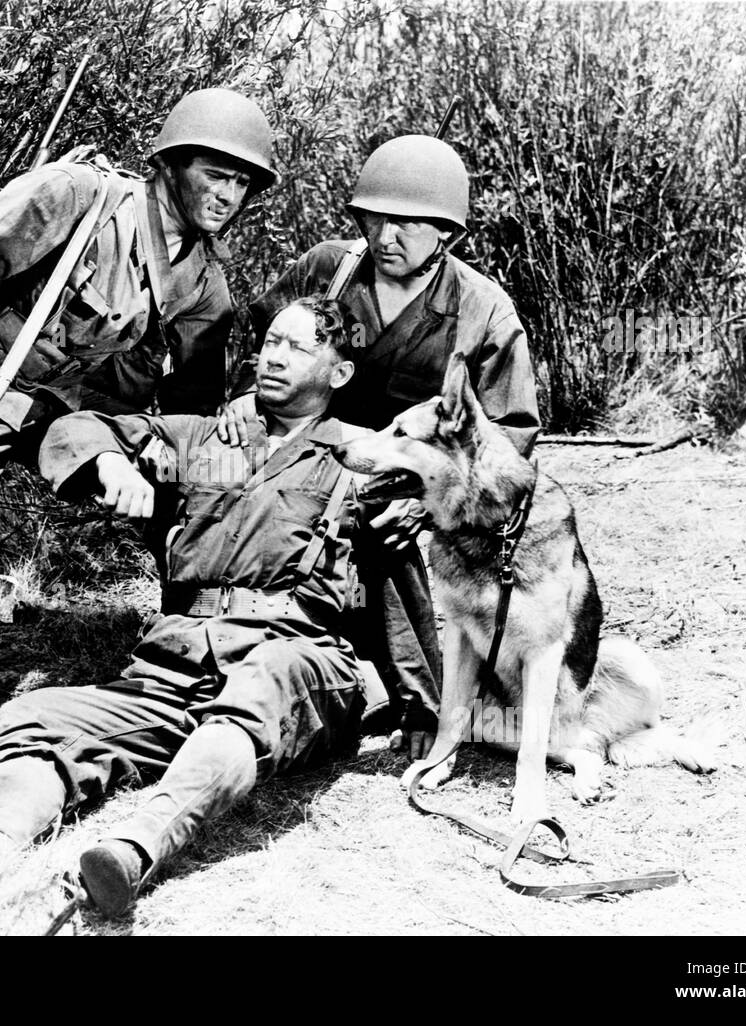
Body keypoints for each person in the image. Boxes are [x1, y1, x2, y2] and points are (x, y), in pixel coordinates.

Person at [0, 89, 278, 811]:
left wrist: (148, 455)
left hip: (57, 408)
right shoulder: (79, 198)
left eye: (241, 182)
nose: (227, 194)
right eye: (214, 172)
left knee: (176, 499)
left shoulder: (203, 283)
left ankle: (183, 678)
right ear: (170, 163)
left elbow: (185, 410)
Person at [0, 297, 381, 917]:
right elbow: (75, 429)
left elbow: (428, 569)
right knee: (37, 715)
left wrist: (425, 709)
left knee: (267, 679)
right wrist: (111, 461)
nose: (273, 355)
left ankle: (135, 850)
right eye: (269, 341)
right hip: (175, 671)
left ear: (339, 373)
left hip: (295, 661)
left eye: (298, 346)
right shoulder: (201, 439)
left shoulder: (366, 458)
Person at [220, 134, 541, 760]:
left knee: (386, 528)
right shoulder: (328, 269)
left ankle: (422, 703)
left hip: (407, 479)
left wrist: (428, 507)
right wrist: (242, 401)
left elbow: (512, 439)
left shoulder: (482, 310)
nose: (386, 235)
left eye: (408, 224)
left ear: (446, 232)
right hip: (307, 452)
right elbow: (264, 338)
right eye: (375, 218)